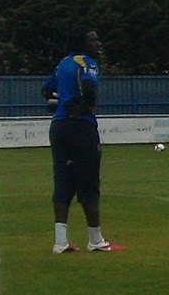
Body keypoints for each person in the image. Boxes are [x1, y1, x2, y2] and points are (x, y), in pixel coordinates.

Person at [48, 26, 122, 253]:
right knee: (88, 181)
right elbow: (89, 87)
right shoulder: (86, 62)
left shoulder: (63, 64)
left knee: (63, 181)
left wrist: (61, 103)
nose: (97, 43)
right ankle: (96, 239)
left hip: (59, 127)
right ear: (81, 43)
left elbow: (47, 90)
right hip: (80, 127)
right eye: (93, 40)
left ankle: (60, 242)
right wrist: (85, 107)